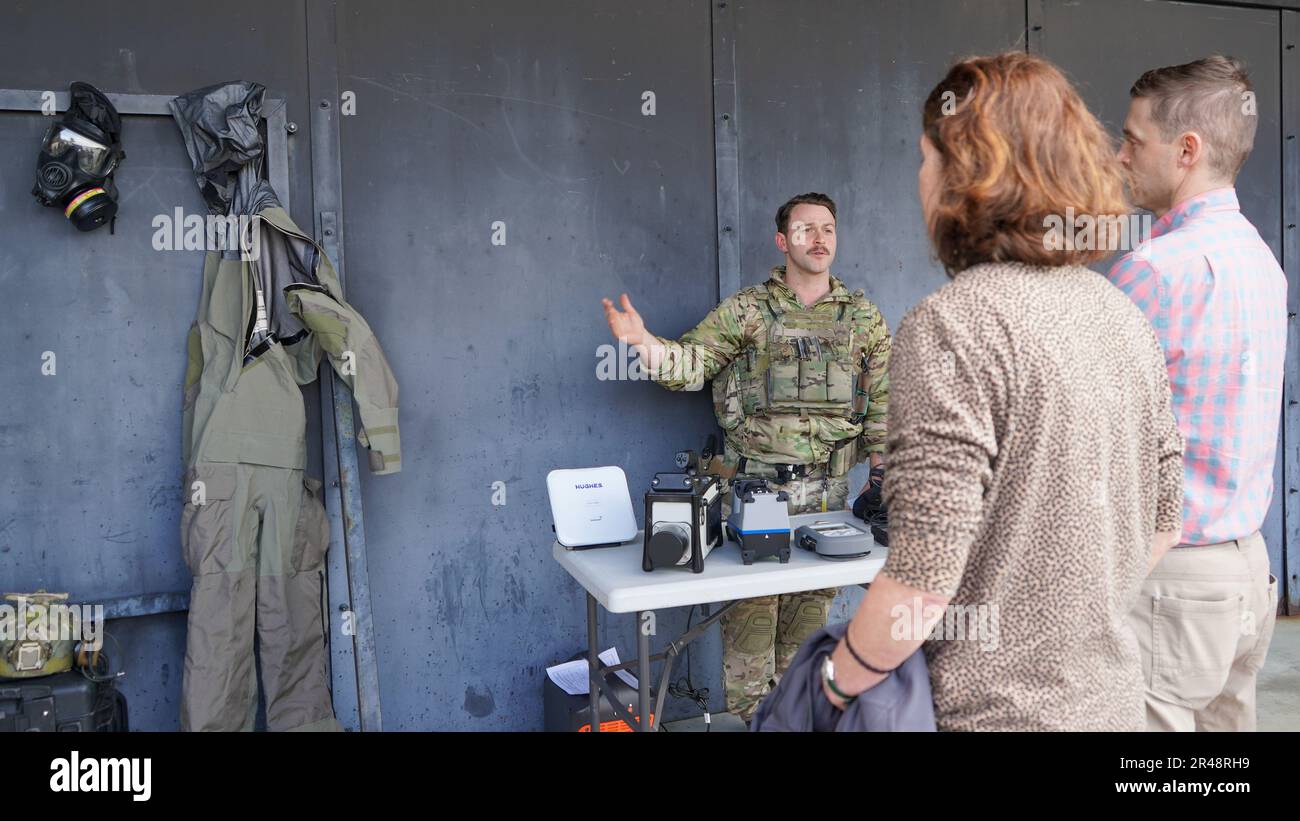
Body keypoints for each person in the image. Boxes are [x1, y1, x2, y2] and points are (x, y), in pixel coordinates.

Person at [820, 52, 1184, 730]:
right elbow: (1166, 521)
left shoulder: (952, 325)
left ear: (967, 174)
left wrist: (831, 686)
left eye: (927, 158)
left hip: (989, 716)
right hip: (1111, 707)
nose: (919, 177)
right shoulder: (1123, 317)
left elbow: (922, 583)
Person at [601, 192, 891, 722]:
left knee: (810, 658)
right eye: (805, 229)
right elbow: (690, 365)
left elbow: (883, 406)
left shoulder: (863, 318)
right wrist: (642, 342)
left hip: (827, 504)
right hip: (757, 500)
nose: (819, 238)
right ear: (783, 241)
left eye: (827, 228)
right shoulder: (749, 309)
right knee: (750, 660)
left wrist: (880, 483)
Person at [1110, 56, 1285, 732]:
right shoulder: (1262, 260)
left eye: (1132, 138)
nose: (1120, 155)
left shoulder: (1153, 270)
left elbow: (1099, 434)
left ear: (1187, 150)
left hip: (1171, 578)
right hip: (1247, 568)